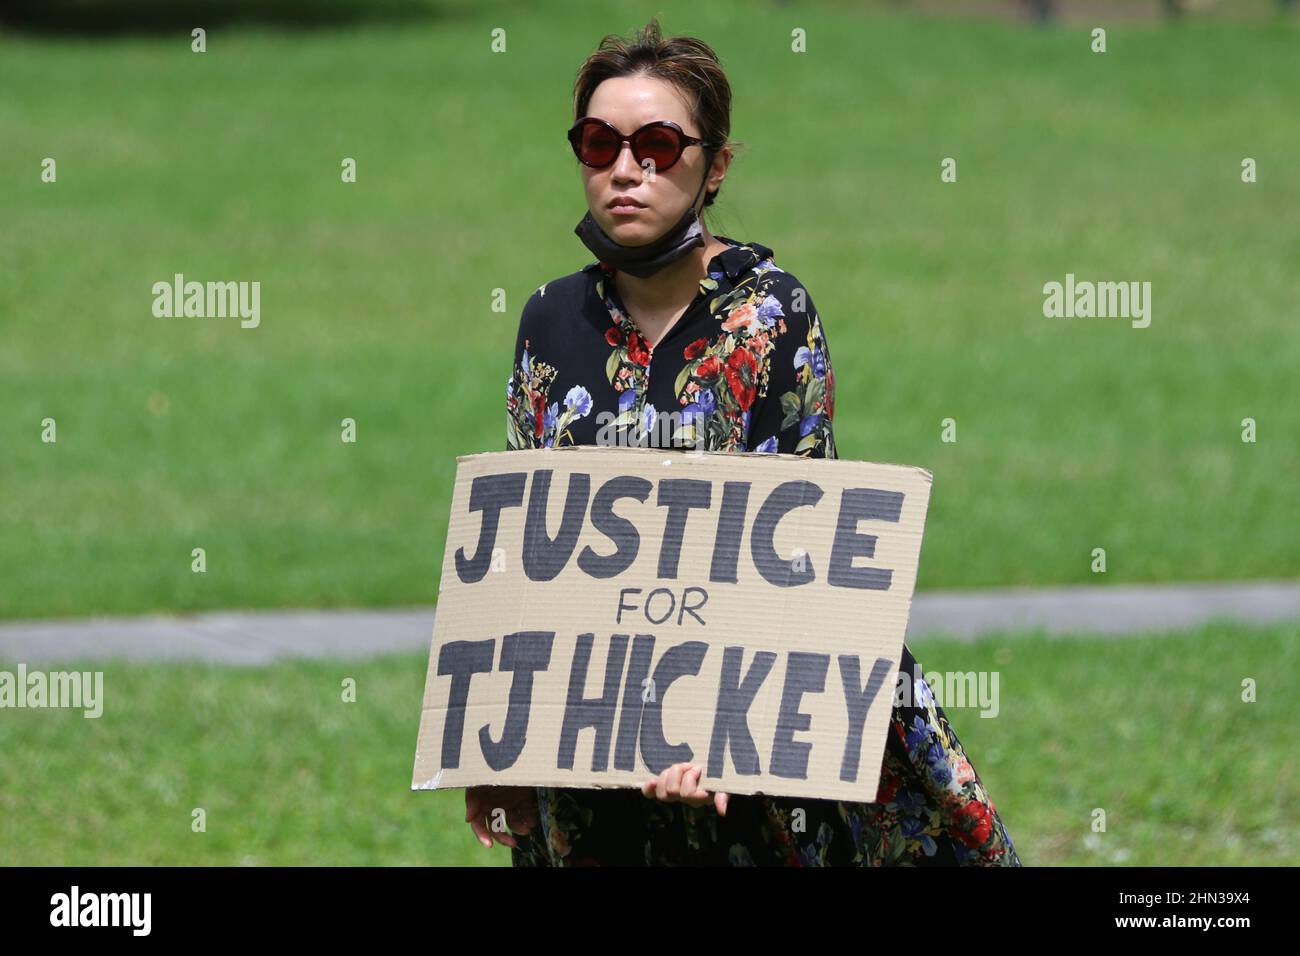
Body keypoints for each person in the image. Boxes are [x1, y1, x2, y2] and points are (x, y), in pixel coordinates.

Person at [465, 18, 1021, 867]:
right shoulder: (549, 318)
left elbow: (799, 541)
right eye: (598, 142)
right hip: (584, 746)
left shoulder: (771, 313)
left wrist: (706, 733)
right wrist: (491, 749)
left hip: (755, 744)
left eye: (657, 144)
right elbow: (525, 552)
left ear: (714, 164)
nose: (625, 168)